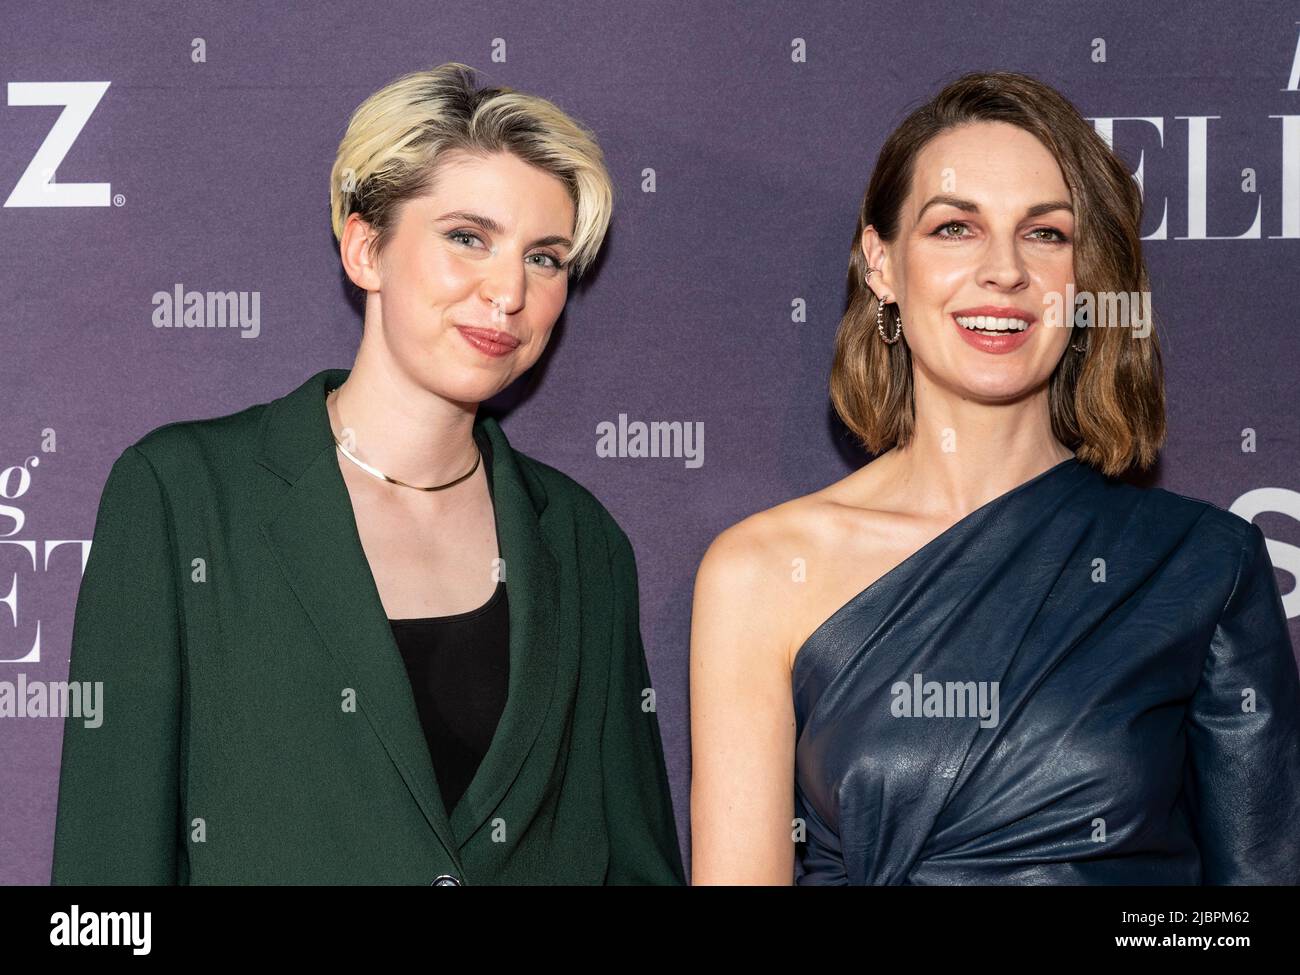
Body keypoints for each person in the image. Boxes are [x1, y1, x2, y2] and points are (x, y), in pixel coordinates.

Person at [51, 63, 684, 885]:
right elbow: (106, 882)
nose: (508, 291)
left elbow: (634, 863)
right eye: (467, 237)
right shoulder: (182, 498)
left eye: (546, 258)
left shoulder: (581, 539)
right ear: (365, 247)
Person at [689, 70, 1300, 885]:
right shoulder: (759, 569)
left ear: (1086, 282)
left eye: (1046, 234)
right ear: (881, 264)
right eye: (954, 228)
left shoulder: (1199, 563)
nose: (1003, 271)